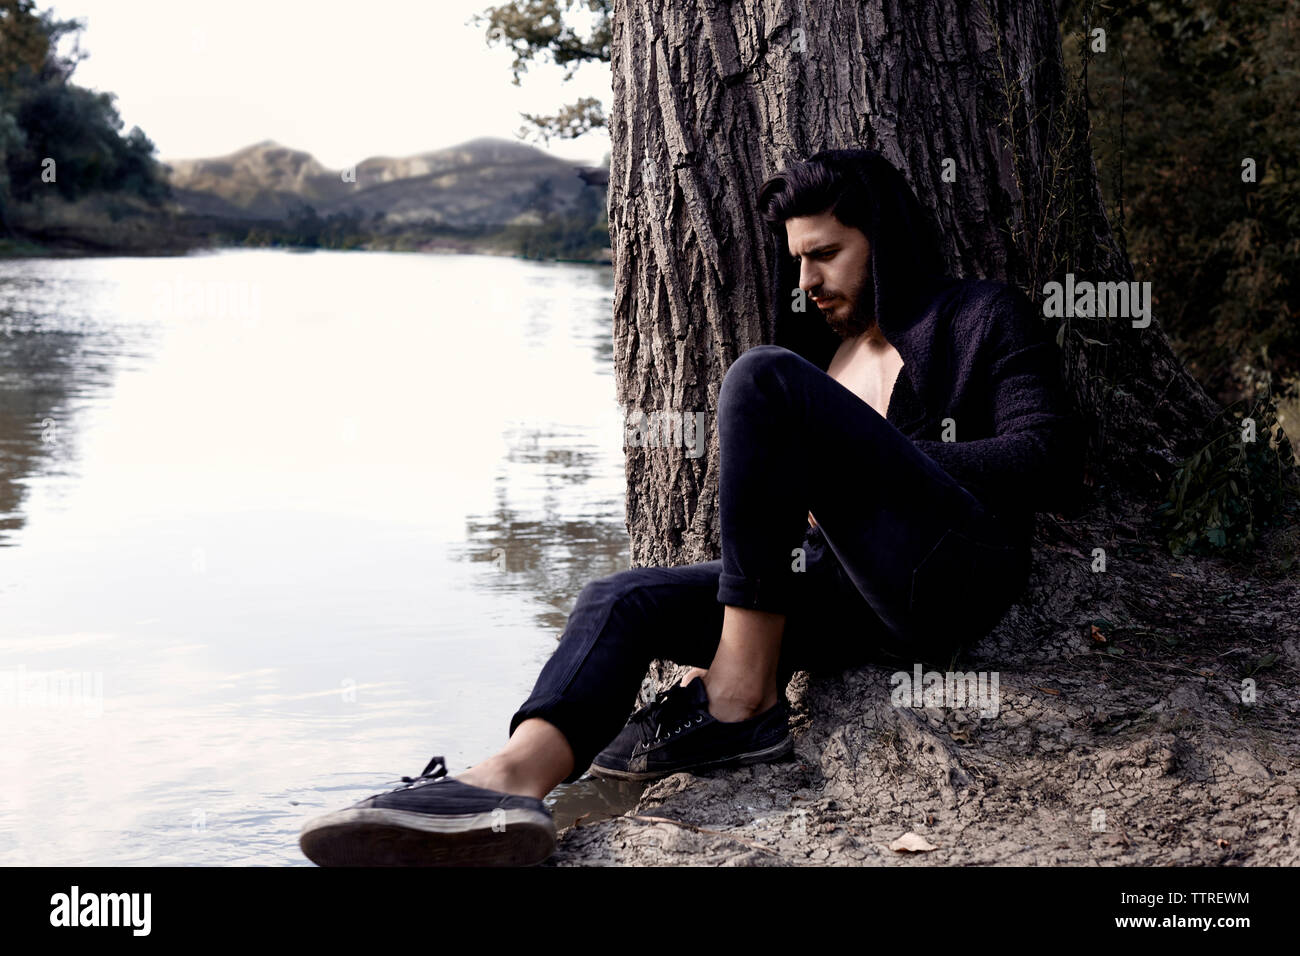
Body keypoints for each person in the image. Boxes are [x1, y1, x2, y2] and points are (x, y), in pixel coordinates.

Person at [297, 148, 1084, 867]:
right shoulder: (822, 356)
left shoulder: (979, 315)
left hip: (947, 572)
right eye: (798, 261)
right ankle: (505, 784)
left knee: (759, 377)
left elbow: (1049, 459)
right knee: (621, 598)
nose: (807, 282)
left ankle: (739, 698)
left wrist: (863, 466)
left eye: (825, 255)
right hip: (836, 597)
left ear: (881, 237)